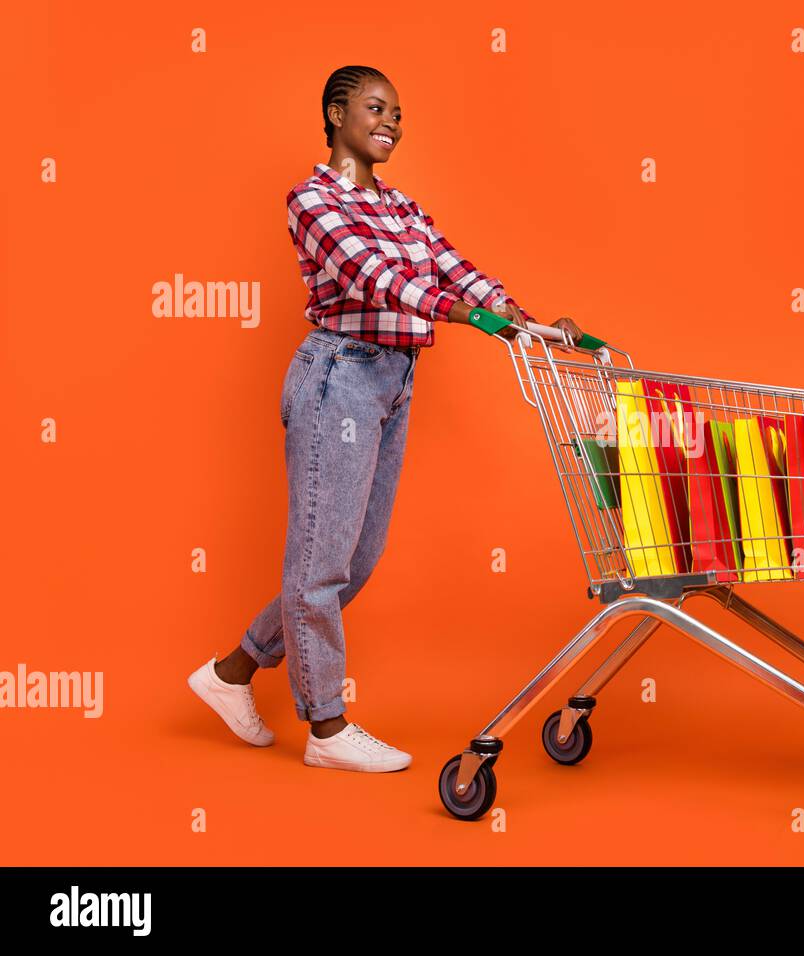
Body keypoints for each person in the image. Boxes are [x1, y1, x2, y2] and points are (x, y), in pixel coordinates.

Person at [187, 65, 583, 772]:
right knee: (320, 566)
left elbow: (454, 268)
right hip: (338, 376)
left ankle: (231, 673)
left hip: (392, 382)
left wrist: (527, 321)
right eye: (375, 108)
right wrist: (461, 314)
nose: (391, 123)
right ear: (336, 114)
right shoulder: (312, 200)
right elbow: (373, 278)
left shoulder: (403, 208)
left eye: (397, 114)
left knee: (352, 562)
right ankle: (327, 727)